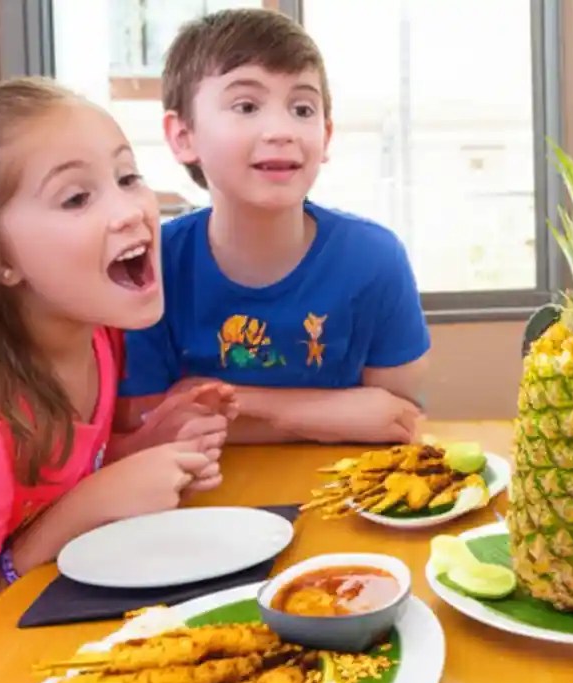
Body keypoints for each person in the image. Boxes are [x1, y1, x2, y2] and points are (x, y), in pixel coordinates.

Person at [0, 78, 234, 681]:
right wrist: (78, 514)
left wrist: (144, 446)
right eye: (77, 198)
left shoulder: (97, 335)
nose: (132, 209)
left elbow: (49, 480)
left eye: (128, 178)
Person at [116, 8, 432, 446]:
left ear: (326, 134)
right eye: (246, 106)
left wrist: (237, 401)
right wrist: (339, 414)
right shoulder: (152, 265)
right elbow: (148, 426)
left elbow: (397, 420)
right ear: (183, 135)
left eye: (302, 108)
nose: (282, 130)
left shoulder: (376, 258)